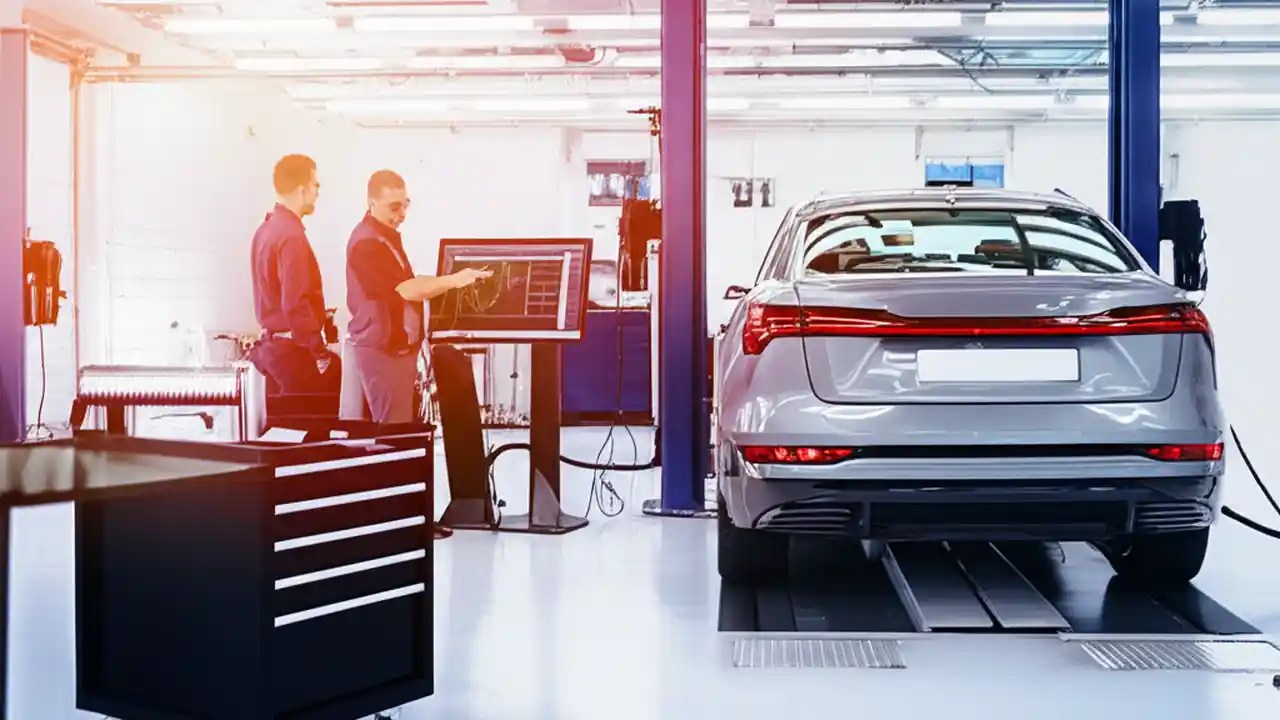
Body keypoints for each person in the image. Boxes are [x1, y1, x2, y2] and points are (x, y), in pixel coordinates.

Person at [341, 169, 490, 423]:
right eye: (394, 207)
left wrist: (443, 281)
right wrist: (454, 280)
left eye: (405, 205)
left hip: (395, 349)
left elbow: (408, 282)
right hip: (383, 351)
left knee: (402, 428)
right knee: (394, 433)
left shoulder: (384, 237)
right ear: (372, 203)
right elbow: (407, 290)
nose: (401, 215)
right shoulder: (368, 244)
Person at [249, 154, 340, 395]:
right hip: (293, 356)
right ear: (302, 189)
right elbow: (295, 303)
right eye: (315, 185)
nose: (317, 192)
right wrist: (319, 352)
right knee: (312, 428)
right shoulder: (292, 237)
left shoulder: (264, 231)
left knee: (280, 429)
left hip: (269, 352)